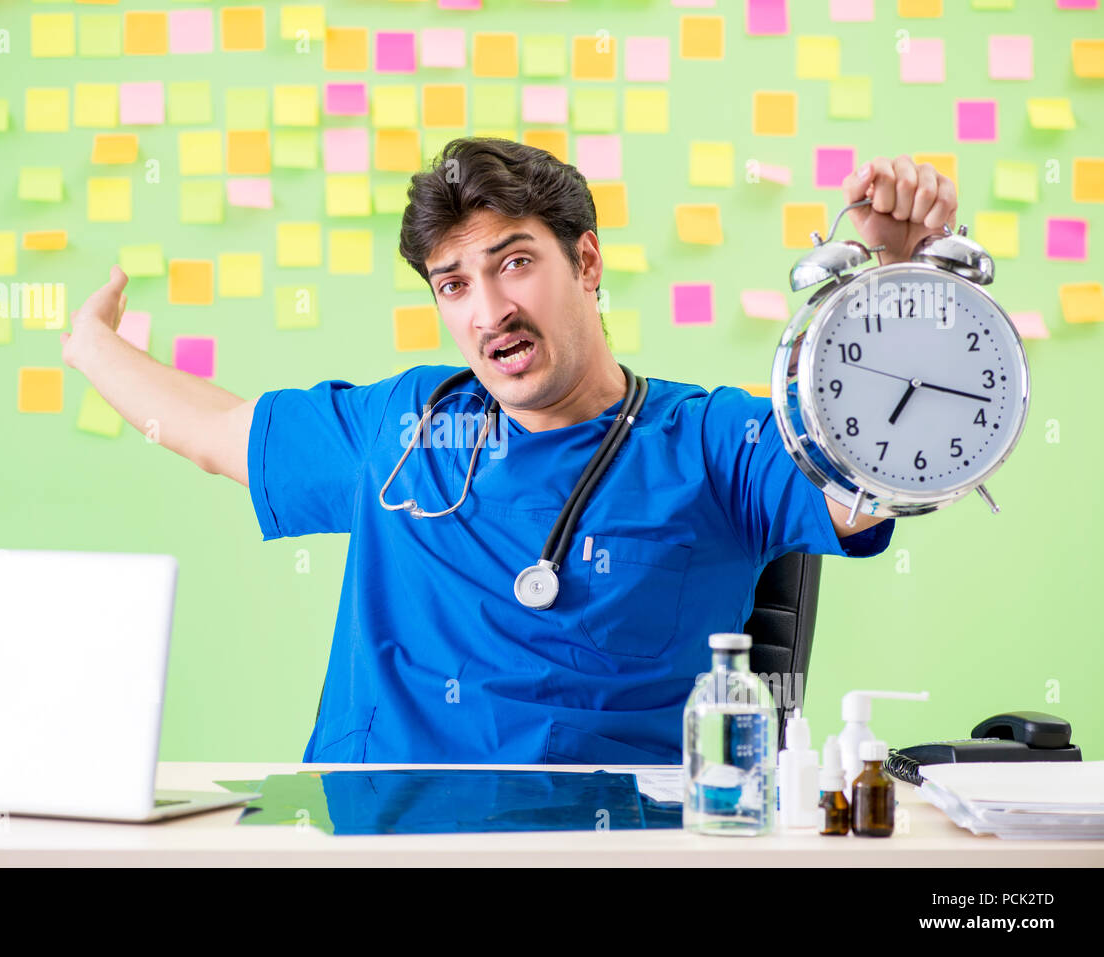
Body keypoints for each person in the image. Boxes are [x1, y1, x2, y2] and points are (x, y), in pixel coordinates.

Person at [61, 138, 958, 764]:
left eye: (515, 262)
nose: (489, 309)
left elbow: (875, 474)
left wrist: (893, 291)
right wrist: (89, 345)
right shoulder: (403, 426)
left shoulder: (719, 439)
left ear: (589, 262)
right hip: (381, 833)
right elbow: (218, 434)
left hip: (614, 842)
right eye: (456, 283)